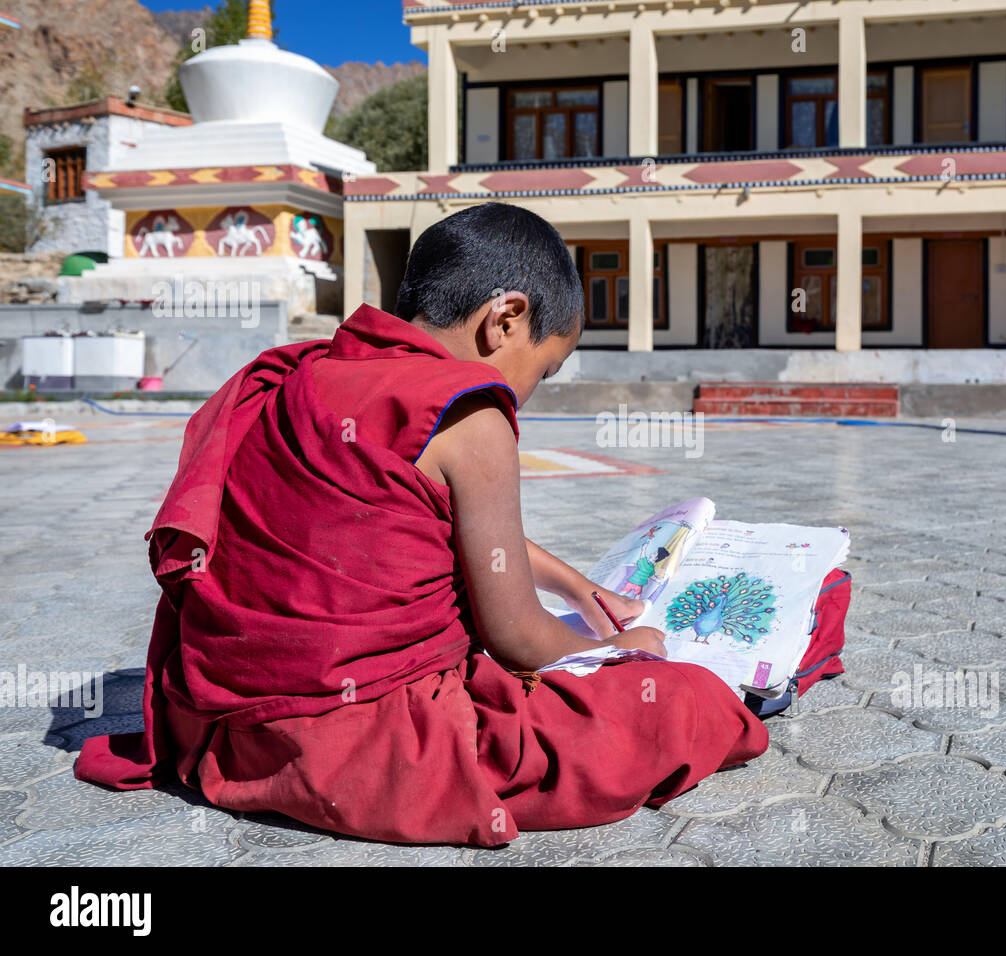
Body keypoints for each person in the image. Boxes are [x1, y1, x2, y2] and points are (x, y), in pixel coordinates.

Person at [74, 202, 768, 846]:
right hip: (375, 750)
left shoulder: (303, 375)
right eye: (545, 368)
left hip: (228, 734)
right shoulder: (468, 411)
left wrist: (581, 586)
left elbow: (430, 524)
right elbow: (520, 639)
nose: (530, 390)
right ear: (505, 320)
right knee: (682, 702)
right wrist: (628, 651)